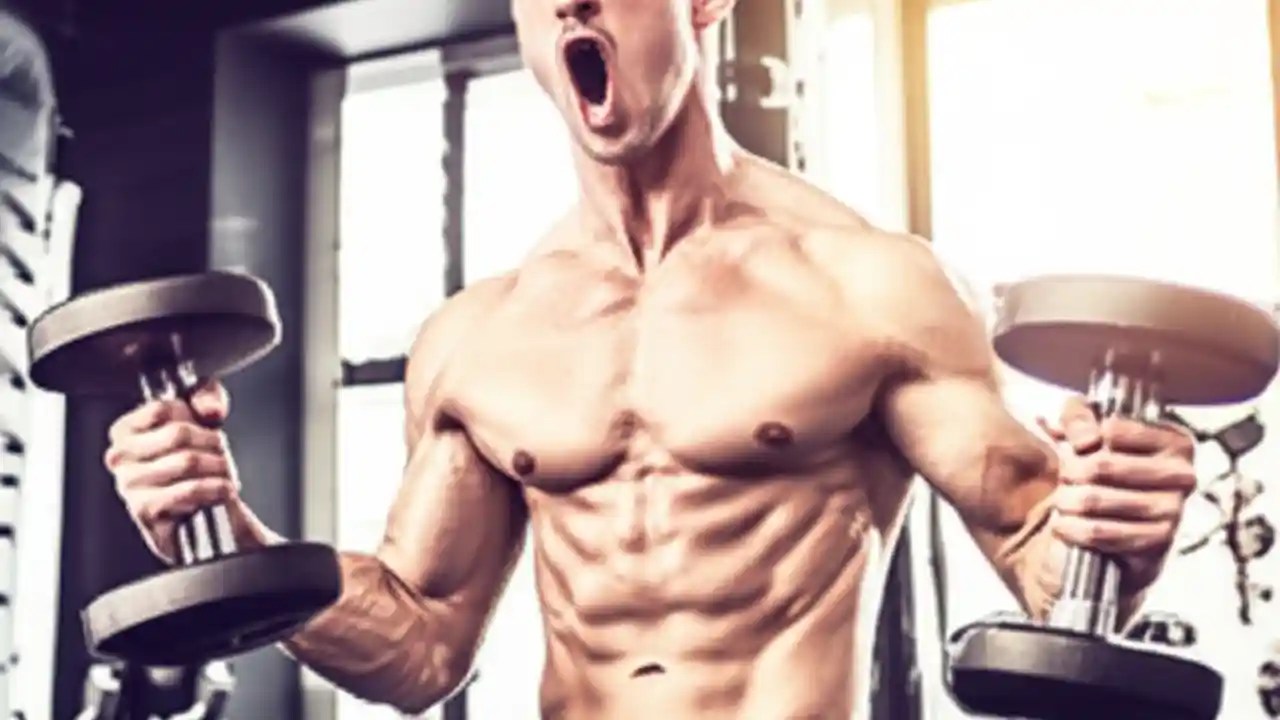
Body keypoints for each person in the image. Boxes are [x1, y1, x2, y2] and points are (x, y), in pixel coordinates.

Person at [102, 0, 1199, 717]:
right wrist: (234, 546)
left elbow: (1042, 555)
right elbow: (419, 647)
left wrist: (1120, 529)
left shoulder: (868, 285)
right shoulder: (478, 337)